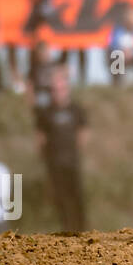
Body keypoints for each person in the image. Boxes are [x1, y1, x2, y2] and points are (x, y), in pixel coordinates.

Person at [33, 65, 88, 232]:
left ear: (67, 89)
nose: (58, 93)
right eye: (54, 90)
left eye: (61, 89)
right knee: (60, 197)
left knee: (76, 195)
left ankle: (82, 229)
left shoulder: (75, 109)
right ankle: (66, 229)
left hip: (72, 159)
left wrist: (76, 150)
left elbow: (83, 132)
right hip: (54, 161)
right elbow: (41, 137)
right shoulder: (45, 112)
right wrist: (45, 156)